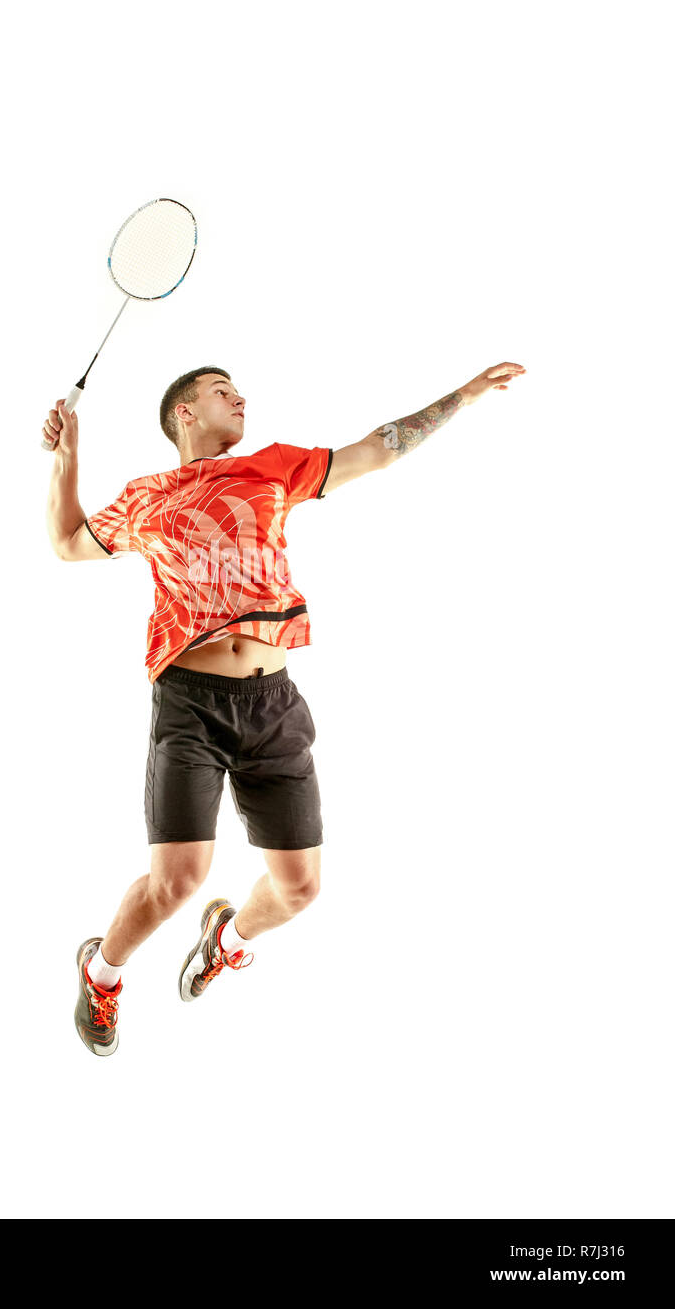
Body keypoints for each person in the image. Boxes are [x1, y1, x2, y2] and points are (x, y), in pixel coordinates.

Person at [43, 360, 526, 1057]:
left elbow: (377, 449)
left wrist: (466, 395)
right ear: (184, 413)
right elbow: (67, 543)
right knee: (178, 880)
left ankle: (228, 939)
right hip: (189, 705)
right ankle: (102, 971)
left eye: (238, 391)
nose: (239, 398)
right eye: (222, 392)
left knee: (299, 890)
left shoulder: (271, 468)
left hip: (271, 704)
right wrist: (68, 455)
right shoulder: (147, 498)